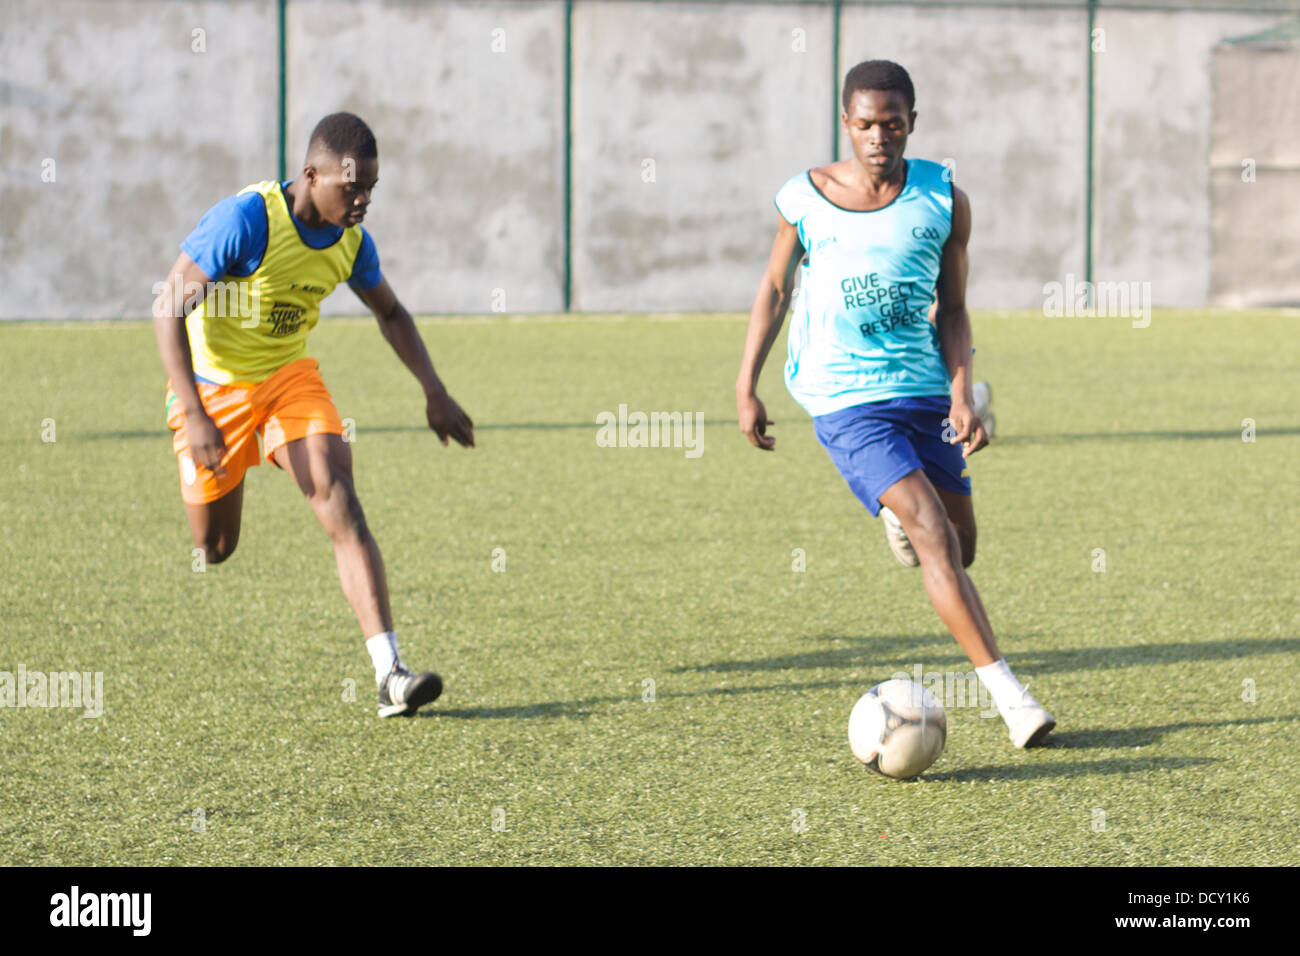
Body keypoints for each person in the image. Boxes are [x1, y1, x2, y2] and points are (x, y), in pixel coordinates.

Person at [735, 61, 1053, 747]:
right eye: (865, 124)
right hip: (842, 394)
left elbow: (957, 308)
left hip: (921, 388)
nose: (879, 136)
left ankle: (899, 515)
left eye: (892, 123)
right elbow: (774, 288)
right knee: (934, 530)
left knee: (961, 548)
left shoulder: (944, 199)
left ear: (912, 122)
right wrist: (746, 383)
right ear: (846, 124)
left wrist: (963, 393)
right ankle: (1012, 697)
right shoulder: (805, 197)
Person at [151, 112, 474, 718]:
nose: (362, 201)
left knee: (337, 492)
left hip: (287, 381)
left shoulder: (352, 241)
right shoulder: (246, 221)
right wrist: (193, 412)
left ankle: (390, 676)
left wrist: (434, 389)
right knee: (215, 547)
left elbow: (393, 313)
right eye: (351, 189)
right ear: (310, 176)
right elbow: (166, 305)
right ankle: (222, 465)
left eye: (371, 190)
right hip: (213, 390)